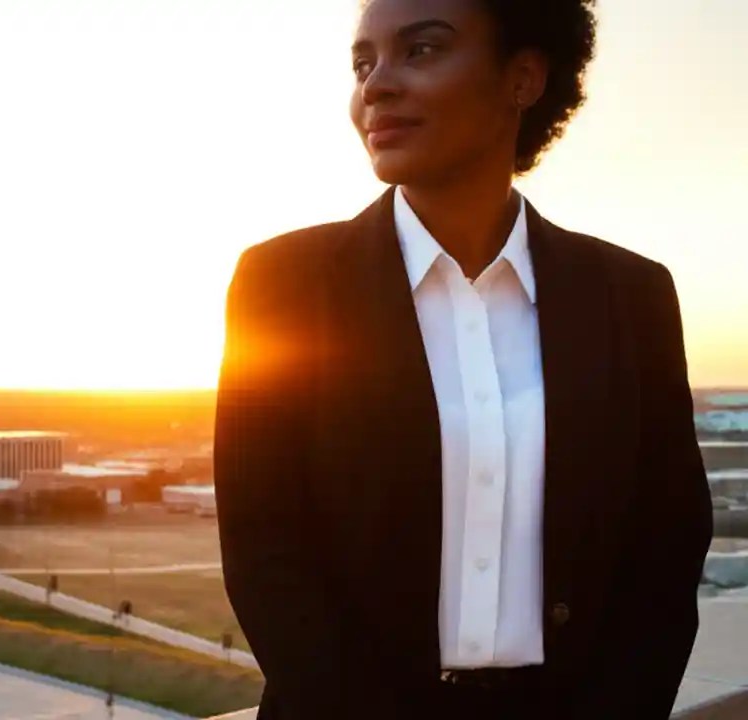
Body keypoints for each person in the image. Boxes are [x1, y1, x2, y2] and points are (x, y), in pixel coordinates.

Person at [213, 0, 713, 718]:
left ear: (524, 77)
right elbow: (266, 551)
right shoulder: (282, 284)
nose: (376, 86)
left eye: (420, 50)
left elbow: (665, 550)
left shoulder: (632, 296)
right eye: (363, 63)